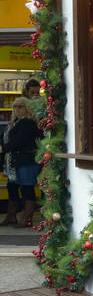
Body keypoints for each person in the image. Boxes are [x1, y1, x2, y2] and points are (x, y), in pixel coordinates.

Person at [1, 97, 42, 228]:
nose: (16, 109)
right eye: (14, 106)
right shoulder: (16, 122)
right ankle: (11, 215)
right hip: (16, 161)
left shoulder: (28, 123)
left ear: (27, 108)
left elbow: (19, 141)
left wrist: (3, 149)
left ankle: (26, 219)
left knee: (27, 188)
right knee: (12, 187)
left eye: (20, 106)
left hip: (27, 160)